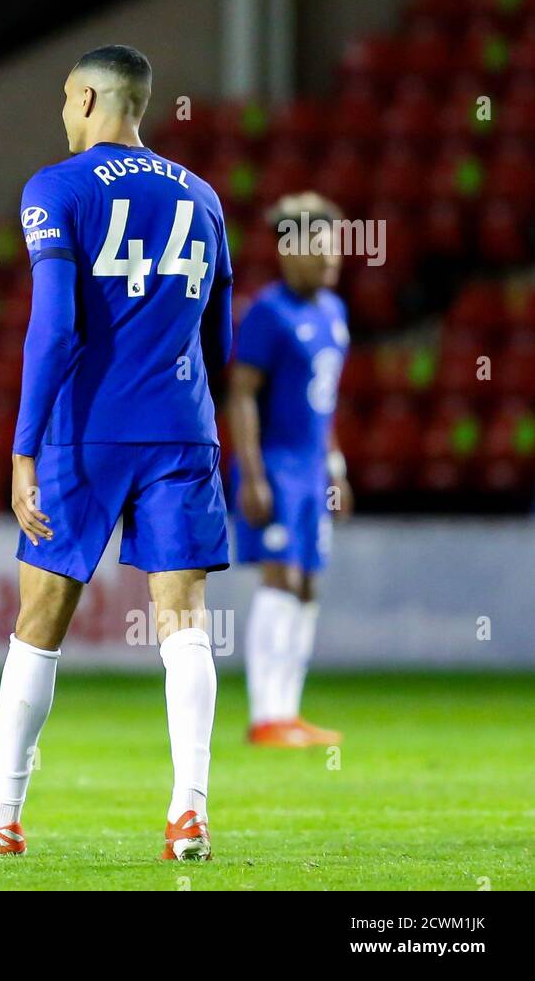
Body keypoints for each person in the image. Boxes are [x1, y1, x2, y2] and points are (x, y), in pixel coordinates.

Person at [0, 45, 233, 861]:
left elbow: (56, 331)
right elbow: (218, 336)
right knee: (184, 625)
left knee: (39, 625)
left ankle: (3, 816)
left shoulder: (57, 188)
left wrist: (22, 450)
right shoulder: (205, 196)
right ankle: (190, 813)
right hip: (183, 429)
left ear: (82, 100)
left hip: (85, 433)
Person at [226, 193, 351, 748]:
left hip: (312, 470)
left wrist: (336, 467)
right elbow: (243, 395)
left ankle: (290, 710)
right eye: (320, 247)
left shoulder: (334, 311)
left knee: (306, 585)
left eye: (336, 247)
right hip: (275, 465)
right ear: (289, 251)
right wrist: (251, 474)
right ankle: (265, 716)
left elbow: (322, 401)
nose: (331, 259)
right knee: (279, 580)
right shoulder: (269, 314)